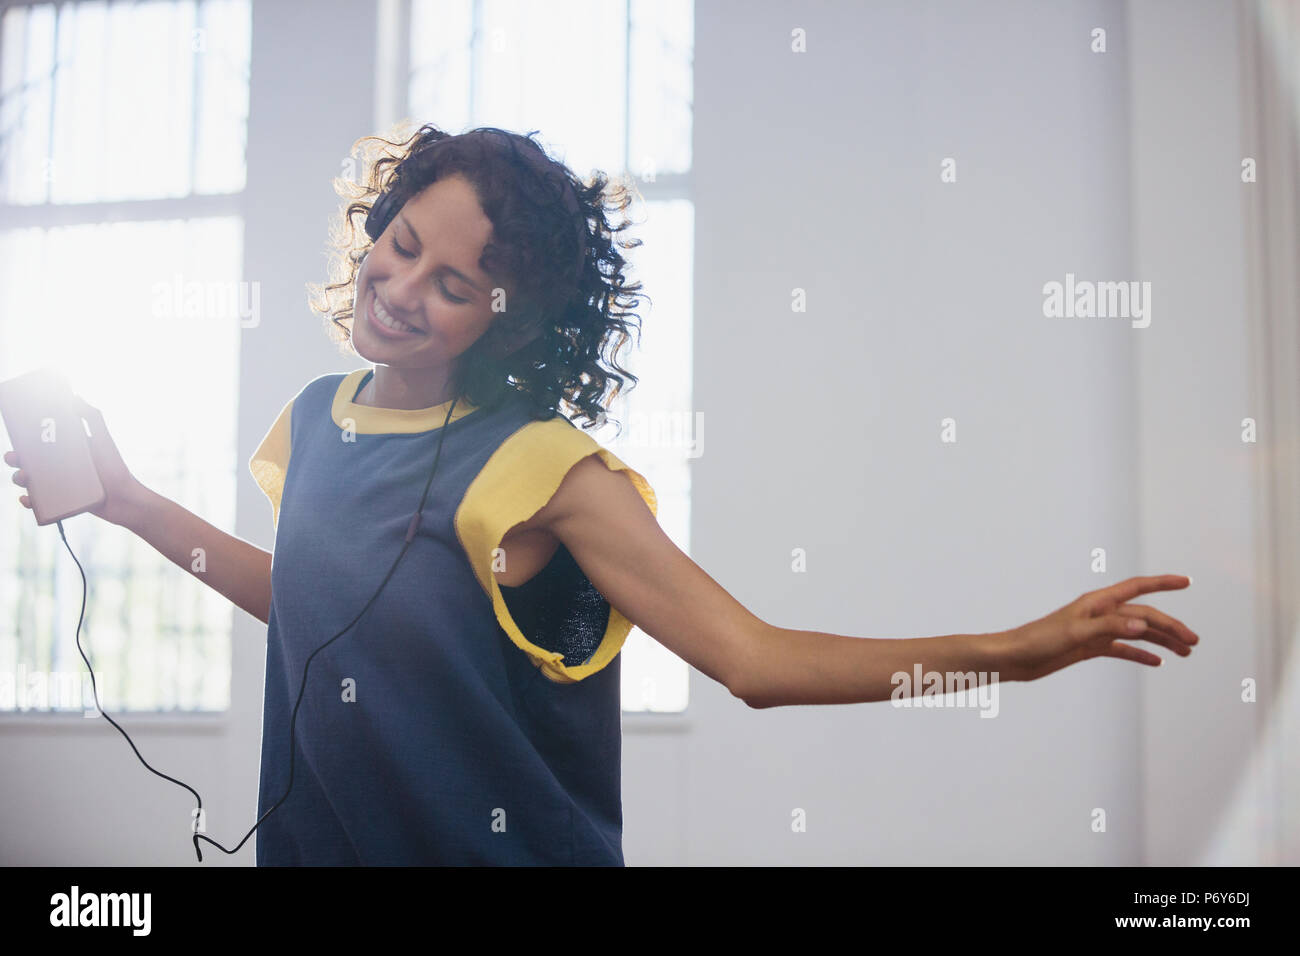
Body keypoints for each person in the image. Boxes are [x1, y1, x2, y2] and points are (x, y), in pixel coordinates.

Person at [4, 124, 1199, 866]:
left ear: (501, 319)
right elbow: (314, 606)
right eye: (403, 240)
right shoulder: (319, 418)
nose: (405, 284)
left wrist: (1018, 649)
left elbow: (754, 659)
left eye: (457, 280)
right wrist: (124, 499)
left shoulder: (542, 467)